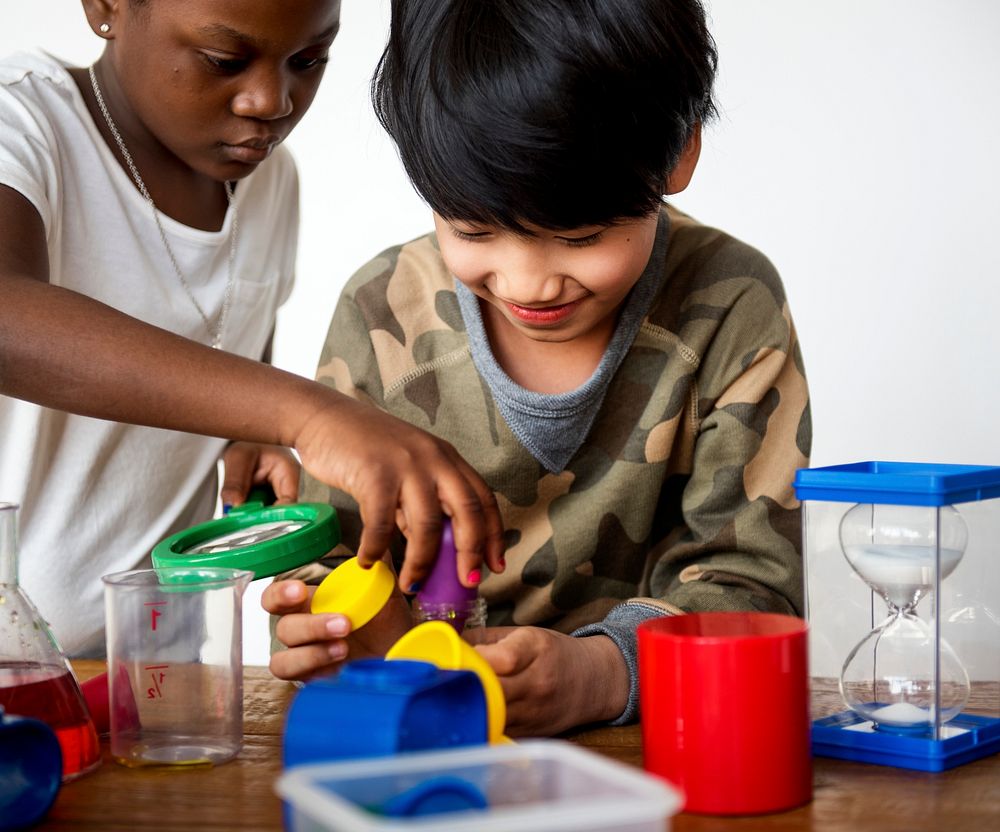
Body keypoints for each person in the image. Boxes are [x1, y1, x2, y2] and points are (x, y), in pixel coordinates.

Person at [264, 0, 810, 736]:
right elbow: (322, 556)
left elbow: (755, 589)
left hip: (653, 756)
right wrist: (331, 631)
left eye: (579, 237)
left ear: (679, 152)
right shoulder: (381, 312)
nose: (528, 284)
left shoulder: (730, 304)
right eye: (473, 230)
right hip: (427, 747)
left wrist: (604, 673)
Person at [0, 0, 504, 658]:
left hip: (152, 668)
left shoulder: (267, 180)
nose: (272, 102)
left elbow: (226, 347)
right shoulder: (22, 123)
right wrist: (307, 416)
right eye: (224, 61)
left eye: (309, 60)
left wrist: (245, 434)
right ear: (106, 6)